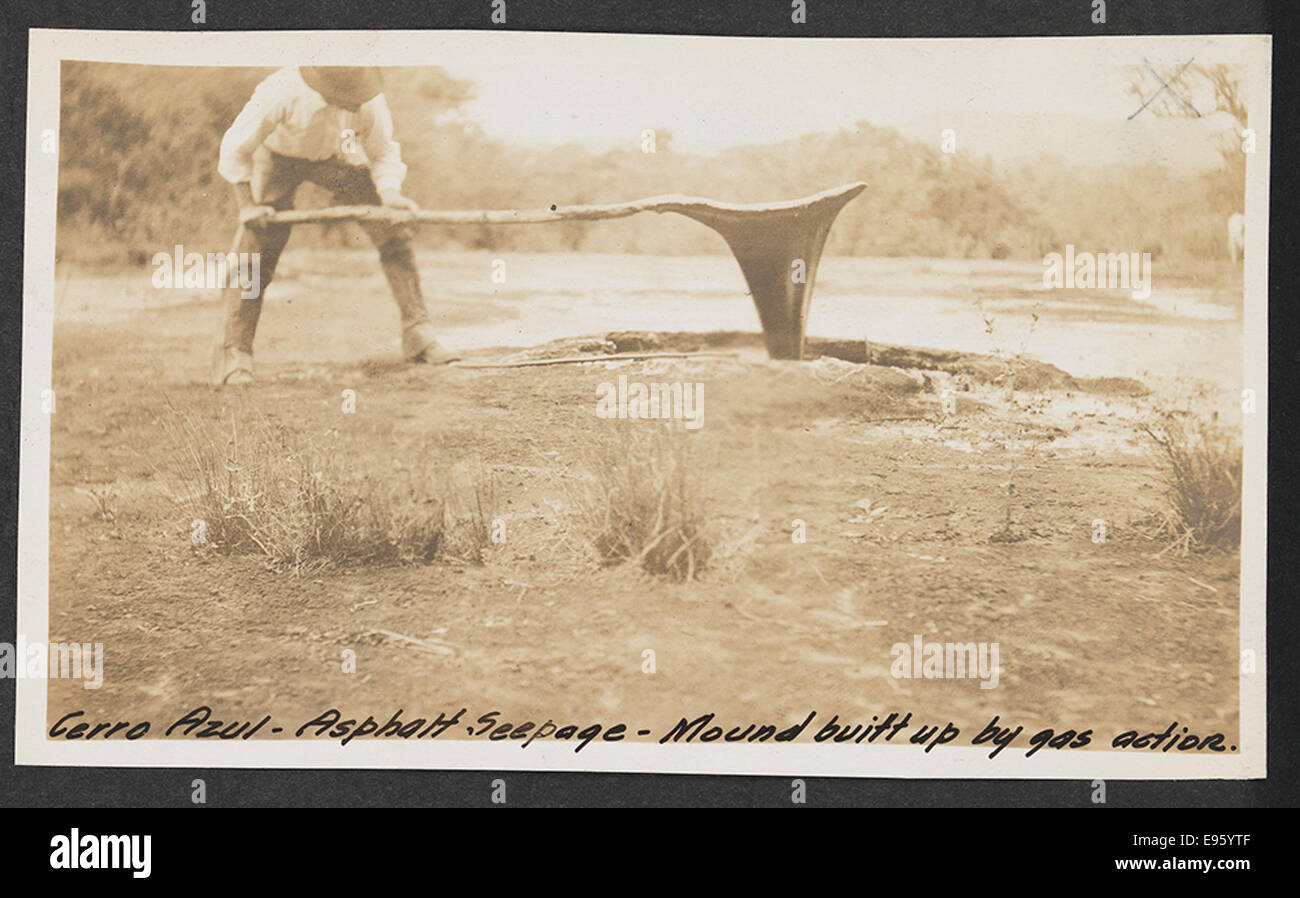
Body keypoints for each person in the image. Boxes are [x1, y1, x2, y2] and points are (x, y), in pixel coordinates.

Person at [213, 65, 457, 385]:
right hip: (277, 158)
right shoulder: (281, 91)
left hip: (339, 162)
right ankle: (235, 354)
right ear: (324, 90)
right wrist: (247, 206)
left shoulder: (370, 102)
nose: (357, 102)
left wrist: (390, 195)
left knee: (394, 233)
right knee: (255, 251)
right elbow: (235, 147)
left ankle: (418, 333)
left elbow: (383, 153)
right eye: (348, 97)